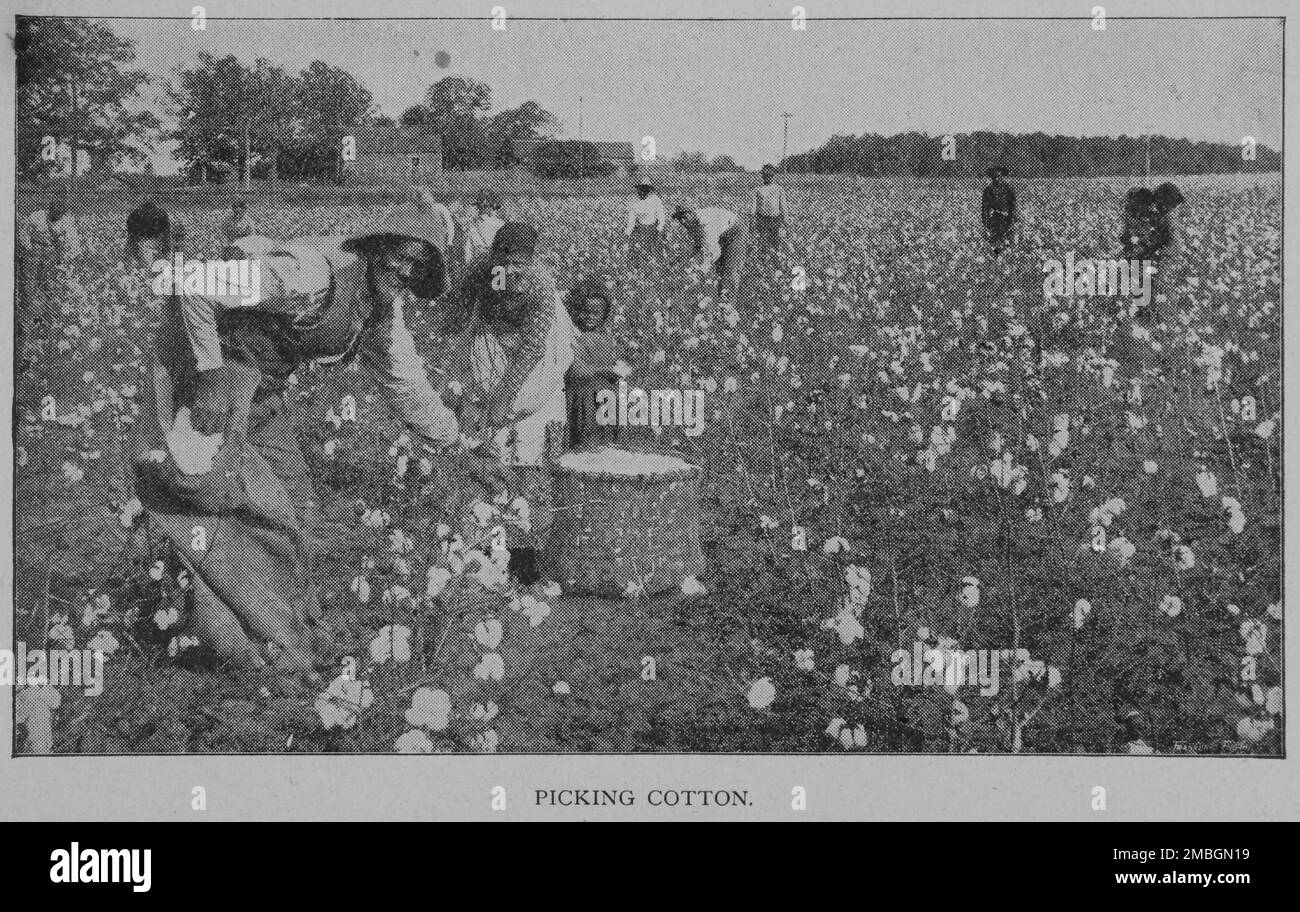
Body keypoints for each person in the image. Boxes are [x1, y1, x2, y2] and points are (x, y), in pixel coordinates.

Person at [133, 188, 464, 675]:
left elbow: (407, 384)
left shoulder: (378, 315)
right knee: (217, 505)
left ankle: (287, 635)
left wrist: (454, 439)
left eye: (422, 268)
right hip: (205, 377)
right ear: (379, 242)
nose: (408, 272)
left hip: (261, 392)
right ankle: (230, 640)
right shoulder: (311, 275)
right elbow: (196, 285)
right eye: (404, 255)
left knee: (296, 503)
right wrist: (207, 380)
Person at [442, 222, 575, 584]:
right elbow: (455, 312)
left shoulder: (542, 290)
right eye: (502, 258)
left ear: (530, 261)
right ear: (493, 254)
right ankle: (488, 545)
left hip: (537, 354)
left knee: (529, 453)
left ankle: (524, 553)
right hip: (490, 337)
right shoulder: (479, 271)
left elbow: (532, 349)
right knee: (489, 450)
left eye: (518, 262)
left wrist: (505, 398)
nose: (508, 268)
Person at [562, 280, 622, 450]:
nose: (589, 316)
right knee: (584, 447)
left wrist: (615, 371)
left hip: (604, 400)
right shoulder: (574, 337)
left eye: (596, 312)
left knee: (605, 447)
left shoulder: (606, 339)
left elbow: (613, 368)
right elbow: (576, 370)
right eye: (584, 311)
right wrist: (606, 370)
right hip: (583, 401)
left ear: (604, 314)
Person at [671, 204, 748, 297]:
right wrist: (680, 259)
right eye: (679, 218)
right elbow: (697, 246)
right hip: (720, 233)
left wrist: (701, 269)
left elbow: (713, 251)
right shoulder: (691, 224)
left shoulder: (705, 223)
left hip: (735, 231)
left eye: (684, 217)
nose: (682, 221)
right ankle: (720, 301)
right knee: (719, 271)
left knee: (730, 269)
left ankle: (730, 305)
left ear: (691, 214)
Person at [625, 180, 666, 266]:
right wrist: (627, 233)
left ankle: (655, 269)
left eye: (646, 189)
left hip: (653, 229)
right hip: (640, 229)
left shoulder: (655, 200)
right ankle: (636, 269)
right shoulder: (633, 201)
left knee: (654, 254)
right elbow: (631, 221)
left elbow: (661, 219)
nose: (643, 192)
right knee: (635, 252)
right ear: (638, 189)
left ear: (649, 190)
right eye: (641, 189)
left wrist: (658, 232)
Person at [463, 188, 506, 265]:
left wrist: (468, 265)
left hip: (478, 264)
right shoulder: (501, 224)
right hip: (495, 264)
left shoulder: (473, 225)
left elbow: (468, 250)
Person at [981, 166, 1016, 256]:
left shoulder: (1008, 189)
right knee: (995, 241)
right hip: (995, 218)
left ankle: (1008, 256)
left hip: (1008, 217)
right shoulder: (988, 190)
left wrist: (1012, 216)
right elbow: (985, 207)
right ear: (992, 178)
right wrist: (986, 222)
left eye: (999, 176)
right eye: (994, 177)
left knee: (1009, 240)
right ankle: (996, 257)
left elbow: (1013, 204)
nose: (997, 179)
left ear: (1002, 176)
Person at [752, 164, 788, 251]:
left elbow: (783, 205)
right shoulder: (757, 189)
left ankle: (775, 259)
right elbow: (753, 206)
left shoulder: (779, 189)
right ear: (762, 176)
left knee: (775, 241)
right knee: (762, 242)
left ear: (773, 175)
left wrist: (786, 219)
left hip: (775, 219)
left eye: (770, 175)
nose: (768, 177)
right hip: (762, 218)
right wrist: (752, 219)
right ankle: (763, 259)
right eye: (765, 175)